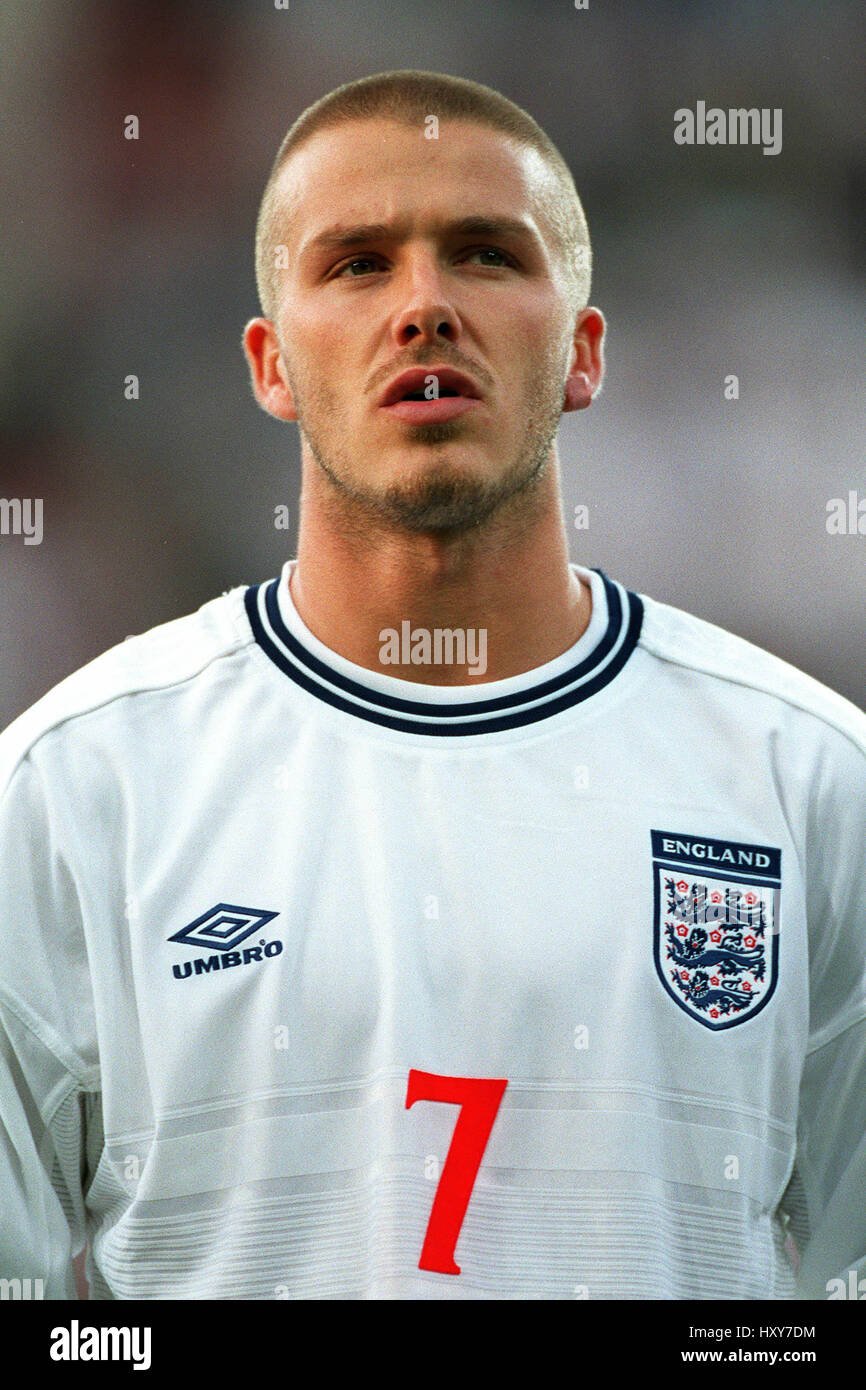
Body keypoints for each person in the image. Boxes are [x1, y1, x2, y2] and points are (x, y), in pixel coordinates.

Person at [1, 69, 864, 1301]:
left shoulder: (809, 782)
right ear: (271, 364)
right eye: (356, 264)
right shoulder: (77, 793)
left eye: (482, 254)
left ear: (581, 349)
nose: (422, 307)